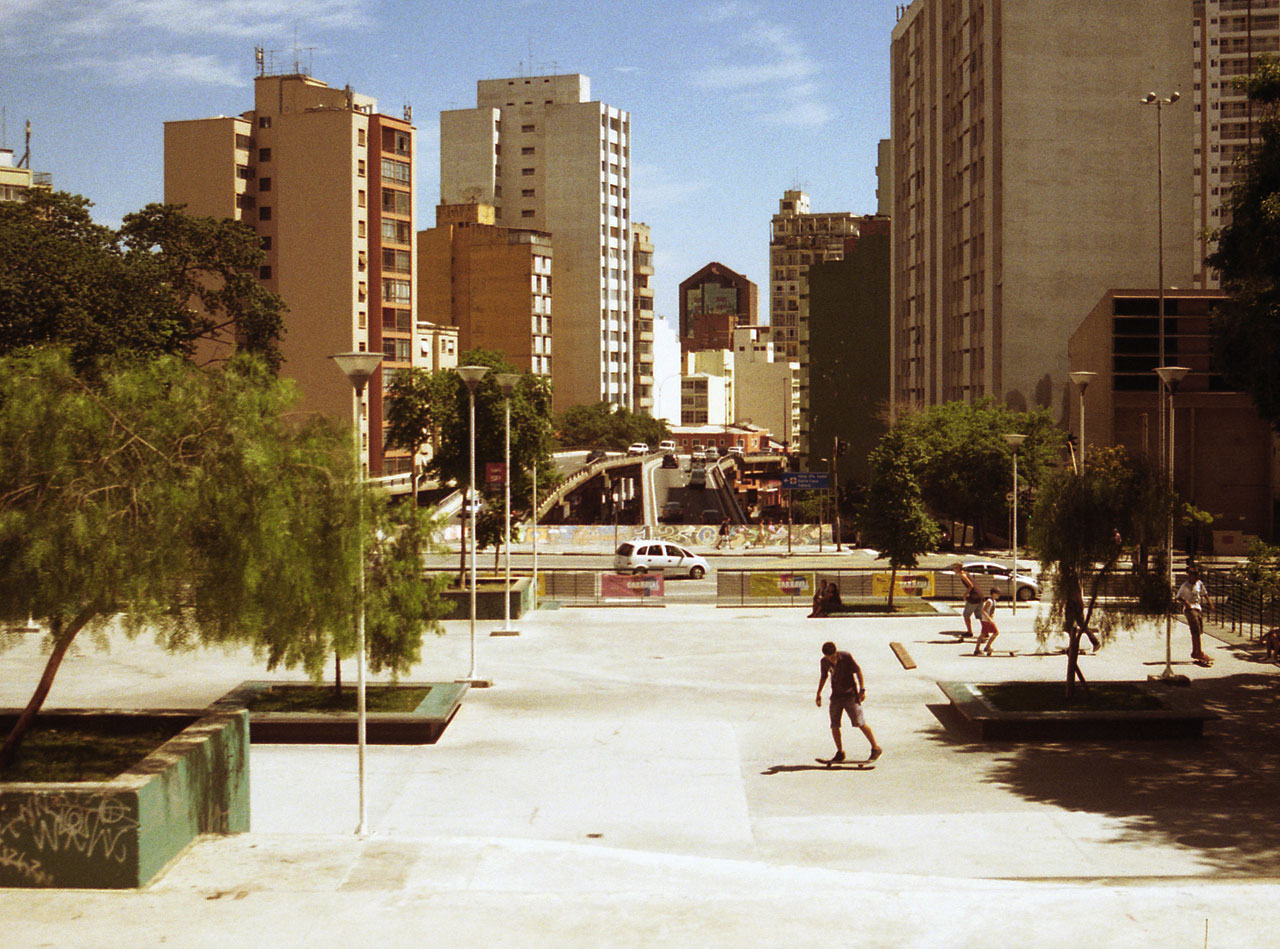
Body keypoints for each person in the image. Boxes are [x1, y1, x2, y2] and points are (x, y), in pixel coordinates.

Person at [815, 641, 882, 762]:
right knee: (834, 724)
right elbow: (824, 676)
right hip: (836, 696)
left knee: (859, 722)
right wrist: (818, 693)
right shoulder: (824, 662)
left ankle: (875, 748)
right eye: (828, 657)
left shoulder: (846, 657)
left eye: (832, 656)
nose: (830, 659)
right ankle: (840, 752)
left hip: (850, 695)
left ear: (835, 652)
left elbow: (858, 671)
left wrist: (862, 689)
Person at [1176, 565, 1214, 667]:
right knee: (1196, 629)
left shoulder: (1199, 583)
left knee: (1199, 630)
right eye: (1194, 575)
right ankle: (1199, 652)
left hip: (1198, 608)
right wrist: (1185, 602)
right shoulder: (1185, 586)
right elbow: (1178, 597)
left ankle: (1194, 651)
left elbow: (1204, 593)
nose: (1196, 577)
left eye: (1197, 575)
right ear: (1189, 575)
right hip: (1189, 609)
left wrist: (1210, 603)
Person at [955, 565, 982, 639]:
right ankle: (985, 632)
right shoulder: (967, 573)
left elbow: (970, 585)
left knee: (966, 615)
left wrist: (965, 595)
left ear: (958, 568)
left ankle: (969, 632)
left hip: (974, 596)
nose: (953, 570)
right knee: (980, 616)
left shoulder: (963, 575)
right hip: (980, 595)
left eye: (954, 568)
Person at [973, 587, 1000, 655]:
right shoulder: (989, 601)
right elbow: (983, 611)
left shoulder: (994, 601)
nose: (998, 595)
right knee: (995, 632)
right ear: (993, 594)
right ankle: (984, 647)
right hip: (986, 620)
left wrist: (992, 616)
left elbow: (991, 611)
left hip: (988, 620)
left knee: (984, 633)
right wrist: (989, 618)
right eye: (997, 594)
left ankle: (979, 648)